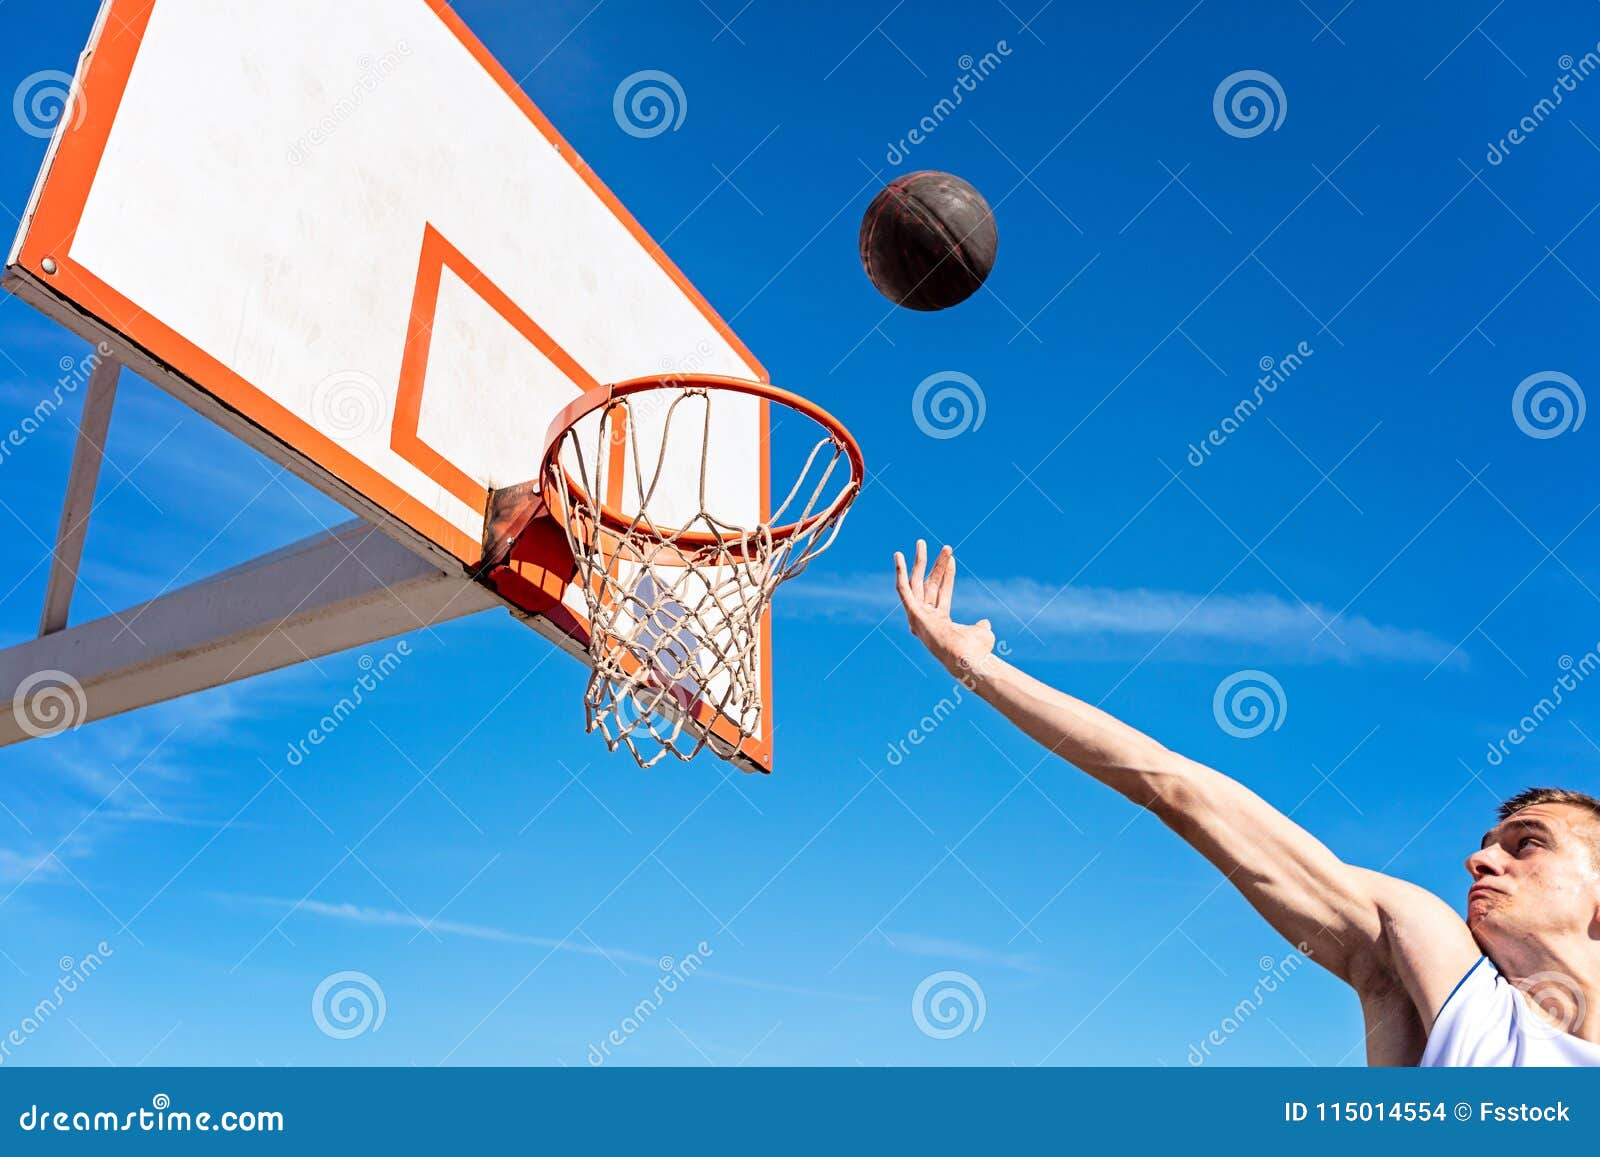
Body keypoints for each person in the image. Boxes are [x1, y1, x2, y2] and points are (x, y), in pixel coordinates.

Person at [893, 541, 1600, 1066]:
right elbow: (1173, 785)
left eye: (1526, 843)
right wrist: (978, 668)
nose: (1480, 858)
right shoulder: (1442, 979)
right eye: (1491, 840)